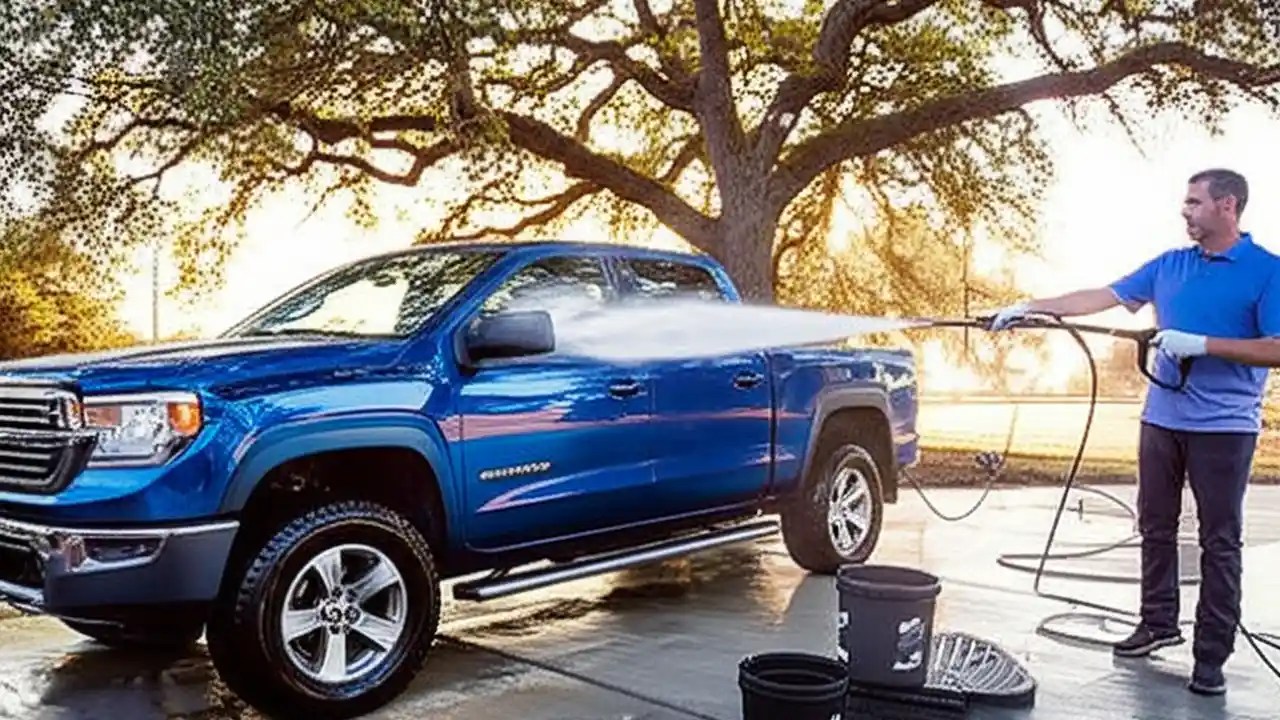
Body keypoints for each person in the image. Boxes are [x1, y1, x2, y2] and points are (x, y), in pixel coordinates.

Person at [986, 168, 1280, 696]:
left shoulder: (1266, 271)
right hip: (1161, 421)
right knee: (1154, 525)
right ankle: (1157, 622)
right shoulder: (1170, 265)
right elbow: (1101, 296)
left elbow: (1279, 347)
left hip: (1224, 429)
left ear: (1228, 206)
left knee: (1220, 540)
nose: (1184, 211)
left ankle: (1210, 657)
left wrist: (1204, 344)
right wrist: (1031, 307)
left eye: (1194, 202)